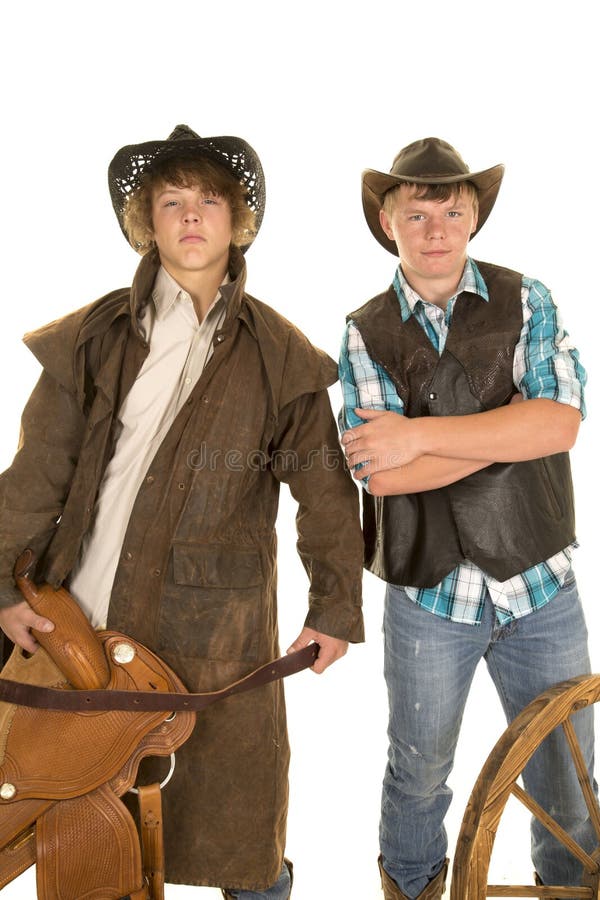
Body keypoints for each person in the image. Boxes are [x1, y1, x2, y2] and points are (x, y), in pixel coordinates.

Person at [0, 124, 364, 899]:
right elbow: (36, 473)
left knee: (240, 826)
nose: (191, 216)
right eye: (172, 202)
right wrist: (4, 586)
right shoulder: (96, 336)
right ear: (148, 222)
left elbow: (325, 491)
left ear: (237, 224)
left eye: (208, 201)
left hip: (214, 634)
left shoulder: (279, 354)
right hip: (79, 615)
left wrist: (334, 605)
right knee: (71, 805)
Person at [338, 137, 595, 898]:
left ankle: (570, 891)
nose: (436, 228)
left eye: (452, 210)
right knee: (417, 776)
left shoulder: (528, 297)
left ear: (474, 214)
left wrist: (417, 435)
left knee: (571, 784)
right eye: (417, 213)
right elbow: (378, 477)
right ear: (389, 223)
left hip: (540, 586)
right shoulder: (365, 327)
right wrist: (506, 429)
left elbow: (559, 427)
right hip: (429, 597)